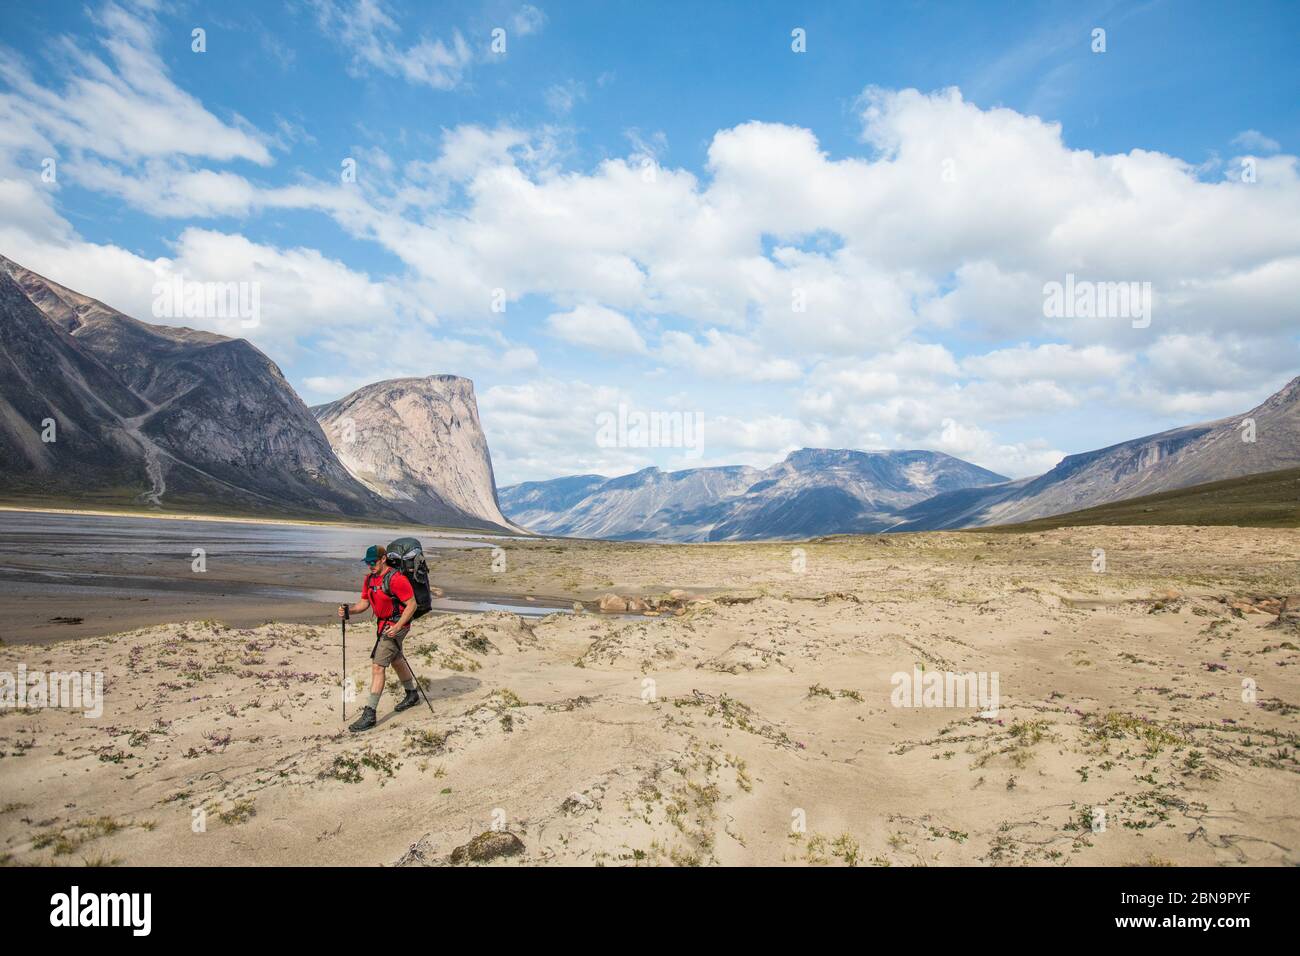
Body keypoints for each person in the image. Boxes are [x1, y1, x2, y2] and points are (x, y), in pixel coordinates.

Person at [337, 544, 421, 732]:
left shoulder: (396, 579)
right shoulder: (369, 580)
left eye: (373, 562)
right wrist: (348, 610)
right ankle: (412, 694)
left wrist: (397, 627)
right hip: (384, 625)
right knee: (397, 659)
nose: (370, 566)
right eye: (367, 563)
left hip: (397, 625)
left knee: (378, 666)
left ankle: (370, 714)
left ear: (383, 559)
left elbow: (412, 605)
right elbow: (364, 604)